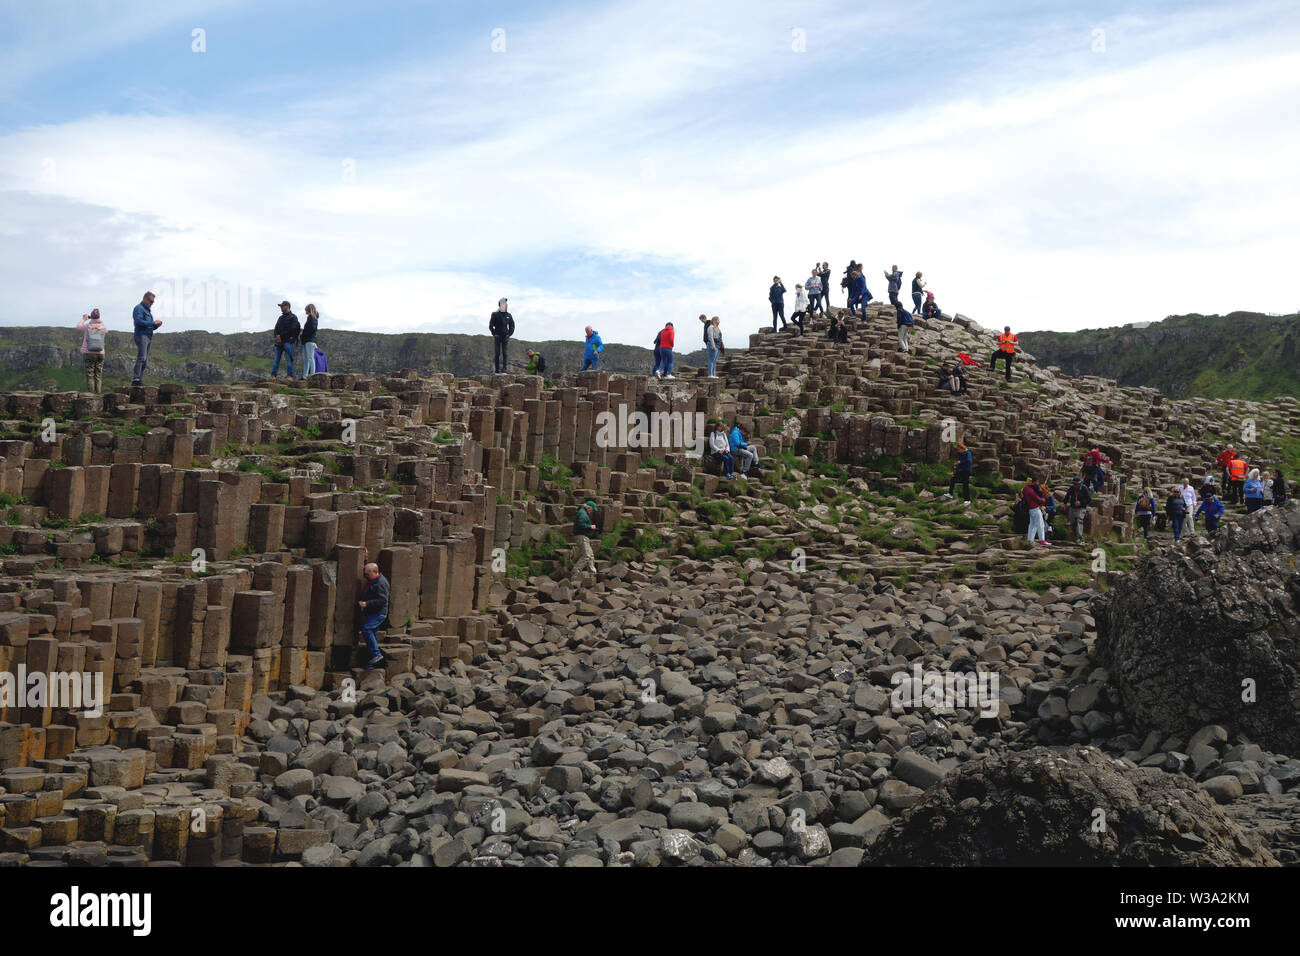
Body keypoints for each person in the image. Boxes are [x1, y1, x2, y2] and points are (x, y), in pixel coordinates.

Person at [357, 563, 389, 668]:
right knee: (372, 636)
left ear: (374, 572)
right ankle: (374, 662)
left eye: (367, 574)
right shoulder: (375, 579)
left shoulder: (380, 583)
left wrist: (367, 604)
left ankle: (377, 655)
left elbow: (382, 600)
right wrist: (365, 557)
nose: (366, 577)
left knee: (367, 630)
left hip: (378, 613)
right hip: (374, 612)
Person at [131, 291, 161, 386]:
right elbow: (138, 321)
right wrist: (153, 323)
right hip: (141, 335)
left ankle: (139, 379)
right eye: (151, 301)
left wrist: (156, 325)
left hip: (148, 336)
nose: (152, 303)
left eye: (153, 302)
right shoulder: (138, 308)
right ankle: (136, 379)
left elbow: (150, 326)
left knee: (145, 360)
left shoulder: (148, 312)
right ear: (145, 299)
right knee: (142, 357)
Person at [77, 309, 108, 394]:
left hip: (89, 352)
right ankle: (98, 395)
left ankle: (91, 395)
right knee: (98, 375)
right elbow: (106, 331)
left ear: (91, 317)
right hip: (100, 353)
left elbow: (78, 326)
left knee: (90, 374)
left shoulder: (87, 326)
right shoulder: (103, 326)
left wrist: (84, 319)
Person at [571, 499, 599, 577]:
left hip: (583, 537)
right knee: (586, 555)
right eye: (592, 510)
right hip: (582, 537)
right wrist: (590, 527)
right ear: (589, 508)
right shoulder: (583, 514)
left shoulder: (583, 513)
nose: (592, 512)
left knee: (590, 555)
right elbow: (581, 525)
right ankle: (575, 571)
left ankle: (593, 573)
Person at [272, 300, 300, 379]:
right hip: (279, 342)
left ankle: (289, 376)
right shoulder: (280, 318)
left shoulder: (293, 317)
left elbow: (293, 329)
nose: (281, 307)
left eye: (282, 306)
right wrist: (277, 335)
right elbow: (276, 328)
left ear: (287, 306)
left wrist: (281, 336)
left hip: (288, 341)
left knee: (289, 360)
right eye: (281, 306)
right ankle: (273, 376)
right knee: (276, 359)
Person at [489, 297, 515, 373]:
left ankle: (504, 369)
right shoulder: (494, 314)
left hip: (505, 336)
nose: (506, 305)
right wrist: (494, 333)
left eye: (506, 304)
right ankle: (497, 369)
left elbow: (512, 325)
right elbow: (491, 325)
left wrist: (509, 334)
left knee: (505, 353)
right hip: (497, 336)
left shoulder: (509, 315)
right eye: (505, 303)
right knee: (497, 353)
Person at [1064, 476, 1092, 543]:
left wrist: (1081, 502)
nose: (1075, 485)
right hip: (1072, 507)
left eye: (1076, 484)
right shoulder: (1071, 488)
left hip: (1081, 508)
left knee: (1079, 520)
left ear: (1079, 484)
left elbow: (1089, 499)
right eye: (1074, 484)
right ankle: (1075, 536)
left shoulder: (1084, 488)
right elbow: (1067, 496)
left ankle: (1080, 538)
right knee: (1073, 522)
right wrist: (1064, 503)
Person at [1023, 477, 1048, 545]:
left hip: (1031, 509)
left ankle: (1030, 540)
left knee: (1033, 524)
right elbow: (1036, 498)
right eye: (1037, 482)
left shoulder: (1025, 488)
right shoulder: (1030, 490)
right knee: (1040, 524)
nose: (1038, 483)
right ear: (1033, 482)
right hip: (1035, 508)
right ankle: (1042, 540)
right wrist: (1043, 499)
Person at [300, 304, 320, 378]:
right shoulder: (310, 318)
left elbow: (313, 329)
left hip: (310, 341)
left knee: (310, 358)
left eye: (306, 310)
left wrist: (304, 334)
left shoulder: (312, 318)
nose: (305, 311)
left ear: (309, 310)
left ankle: (312, 375)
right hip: (306, 341)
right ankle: (305, 375)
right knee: (306, 359)